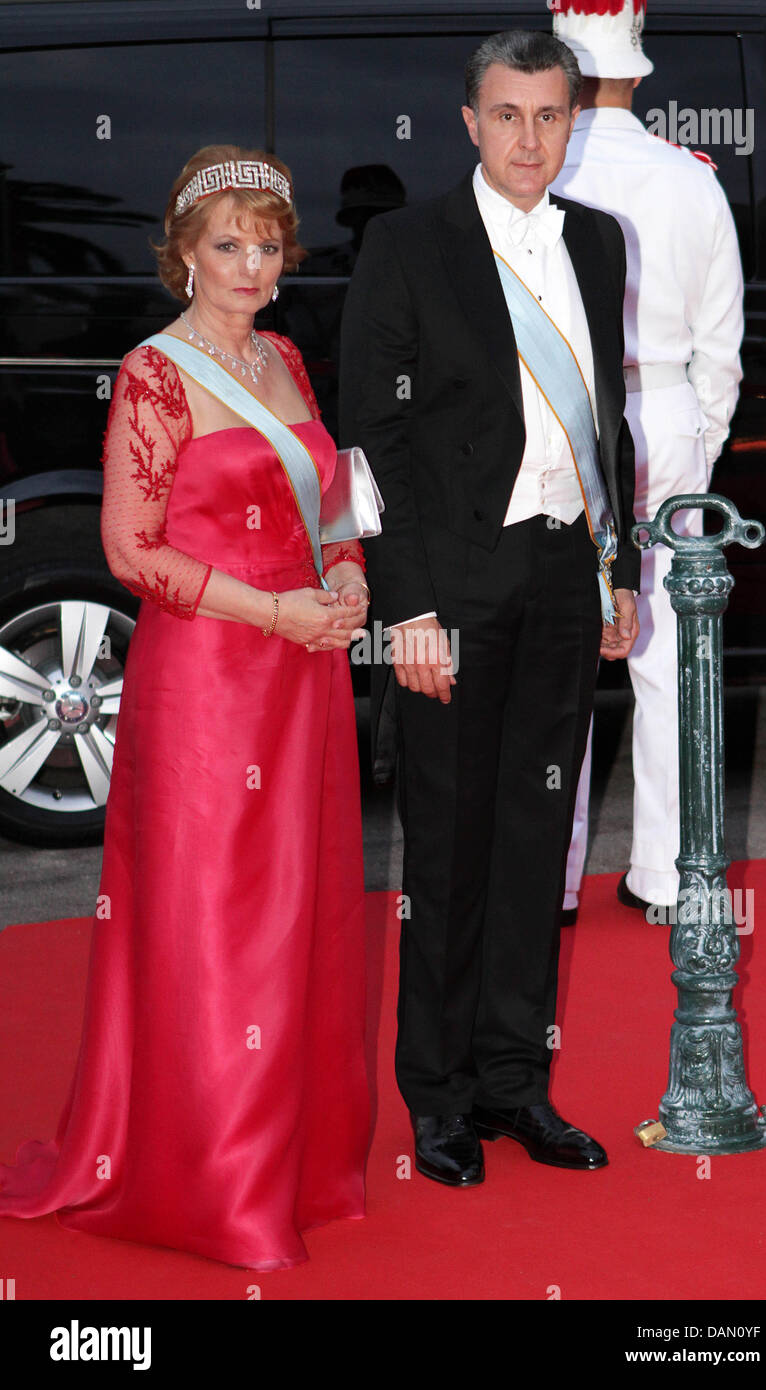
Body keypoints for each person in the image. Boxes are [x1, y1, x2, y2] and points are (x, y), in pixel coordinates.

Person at [0, 145, 371, 1270]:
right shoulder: (155, 375)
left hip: (300, 675)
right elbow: (129, 549)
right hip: (210, 683)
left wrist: (348, 578)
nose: (252, 265)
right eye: (229, 245)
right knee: (219, 928)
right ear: (185, 255)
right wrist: (280, 615)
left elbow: (335, 500)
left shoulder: (287, 356)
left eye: (269, 245)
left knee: (298, 915)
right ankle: (217, 1183)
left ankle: (294, 1163)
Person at [340, 31, 640, 1188]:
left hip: (566, 581)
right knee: (450, 855)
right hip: (452, 591)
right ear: (468, 121)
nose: (529, 139)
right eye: (508, 115)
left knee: (536, 849)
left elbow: (603, 421)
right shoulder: (407, 246)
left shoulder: (600, 245)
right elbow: (378, 437)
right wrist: (409, 609)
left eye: (550, 116)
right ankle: (441, 1097)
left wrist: (617, 568)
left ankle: (519, 1084)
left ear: (575, 122)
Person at [551, 0, 744, 921]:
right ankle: (664, 875)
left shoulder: (533, 169)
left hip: (564, 414)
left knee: (555, 644)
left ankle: (550, 876)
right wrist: (696, 448)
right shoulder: (691, 178)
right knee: (662, 653)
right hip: (664, 409)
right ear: (636, 70)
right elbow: (723, 347)